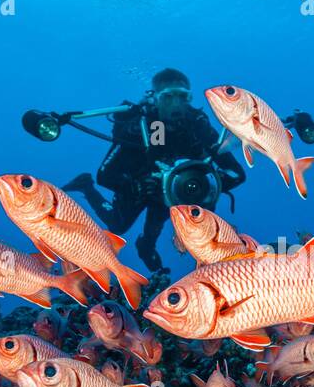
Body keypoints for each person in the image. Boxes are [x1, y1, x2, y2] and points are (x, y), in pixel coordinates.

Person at [63, 68, 246, 271]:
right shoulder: (141, 126)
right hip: (139, 185)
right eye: (168, 97)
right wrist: (137, 186)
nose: (176, 104)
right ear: (156, 98)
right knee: (117, 225)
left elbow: (237, 173)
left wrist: (210, 182)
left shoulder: (197, 126)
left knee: (186, 219)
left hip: (178, 191)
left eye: (183, 97)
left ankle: (146, 245)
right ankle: (85, 186)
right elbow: (105, 175)